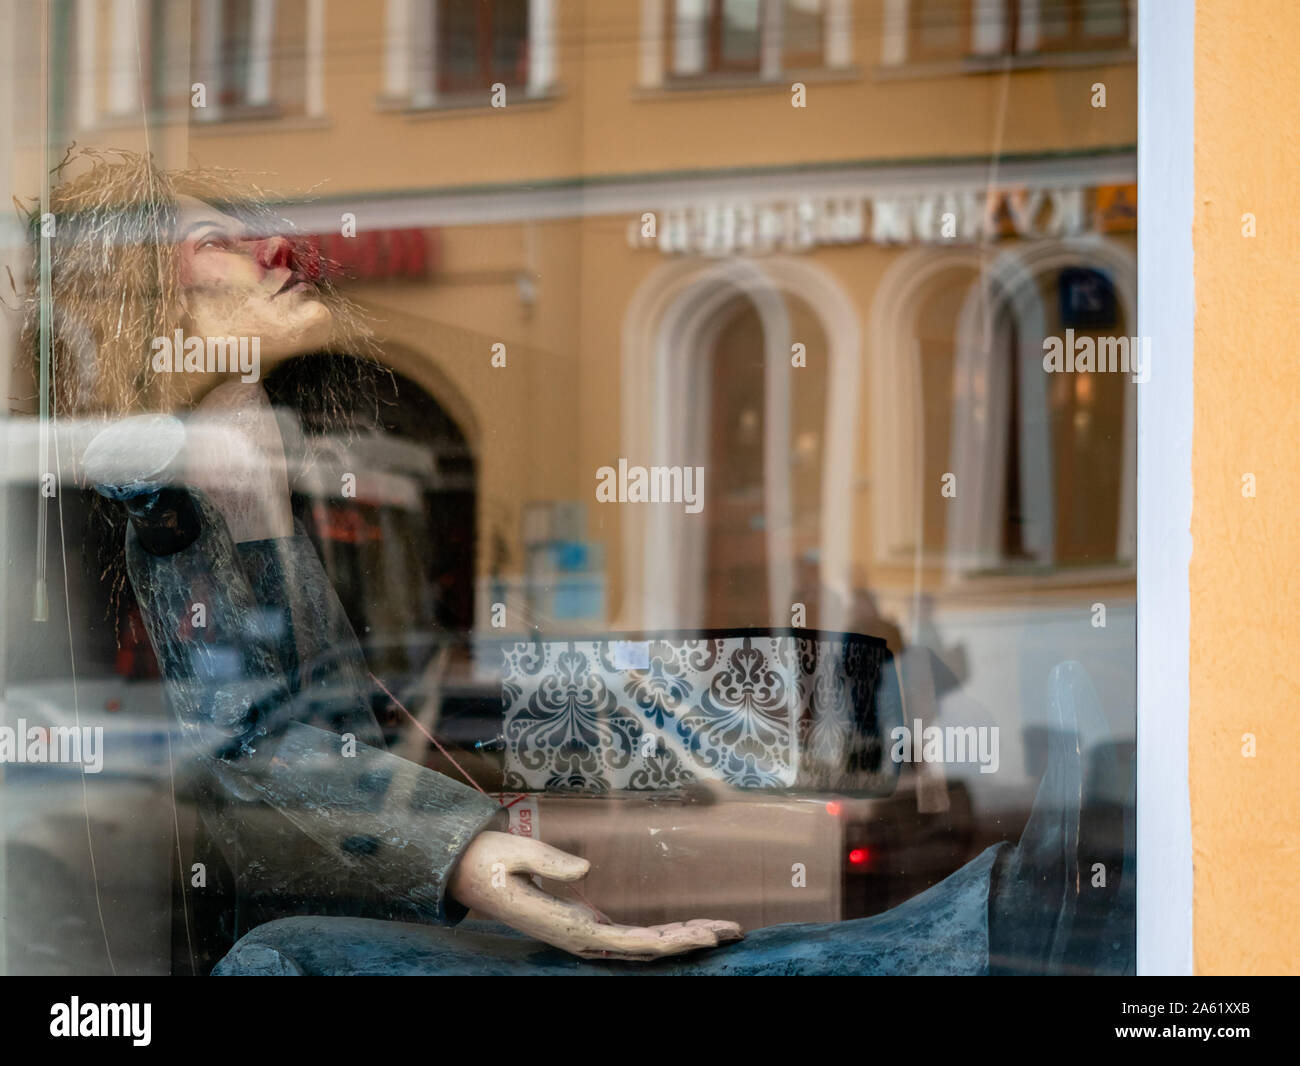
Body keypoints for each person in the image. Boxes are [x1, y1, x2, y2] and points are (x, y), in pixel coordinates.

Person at [31, 151, 1128, 976]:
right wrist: (463, 849)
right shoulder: (135, 485)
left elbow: (339, 714)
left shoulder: (216, 464)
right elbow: (255, 750)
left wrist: (814, 703)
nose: (271, 248)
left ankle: (935, 878)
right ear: (132, 298)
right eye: (212, 240)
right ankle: (964, 939)